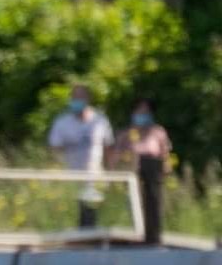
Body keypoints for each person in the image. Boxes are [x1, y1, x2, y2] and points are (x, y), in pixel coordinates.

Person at [47, 83, 114, 229]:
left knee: (90, 219)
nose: (76, 100)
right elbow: (54, 150)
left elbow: (108, 148)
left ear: (88, 99)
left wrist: (110, 174)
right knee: (71, 219)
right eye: (74, 97)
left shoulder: (100, 121)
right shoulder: (62, 123)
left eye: (80, 97)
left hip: (95, 179)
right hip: (70, 179)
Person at [113, 98, 173, 245]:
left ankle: (152, 236)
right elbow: (116, 158)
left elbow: (165, 158)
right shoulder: (125, 134)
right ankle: (135, 235)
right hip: (132, 177)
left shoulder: (157, 132)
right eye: (140, 111)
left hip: (152, 176)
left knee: (152, 206)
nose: (142, 115)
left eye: (146, 112)